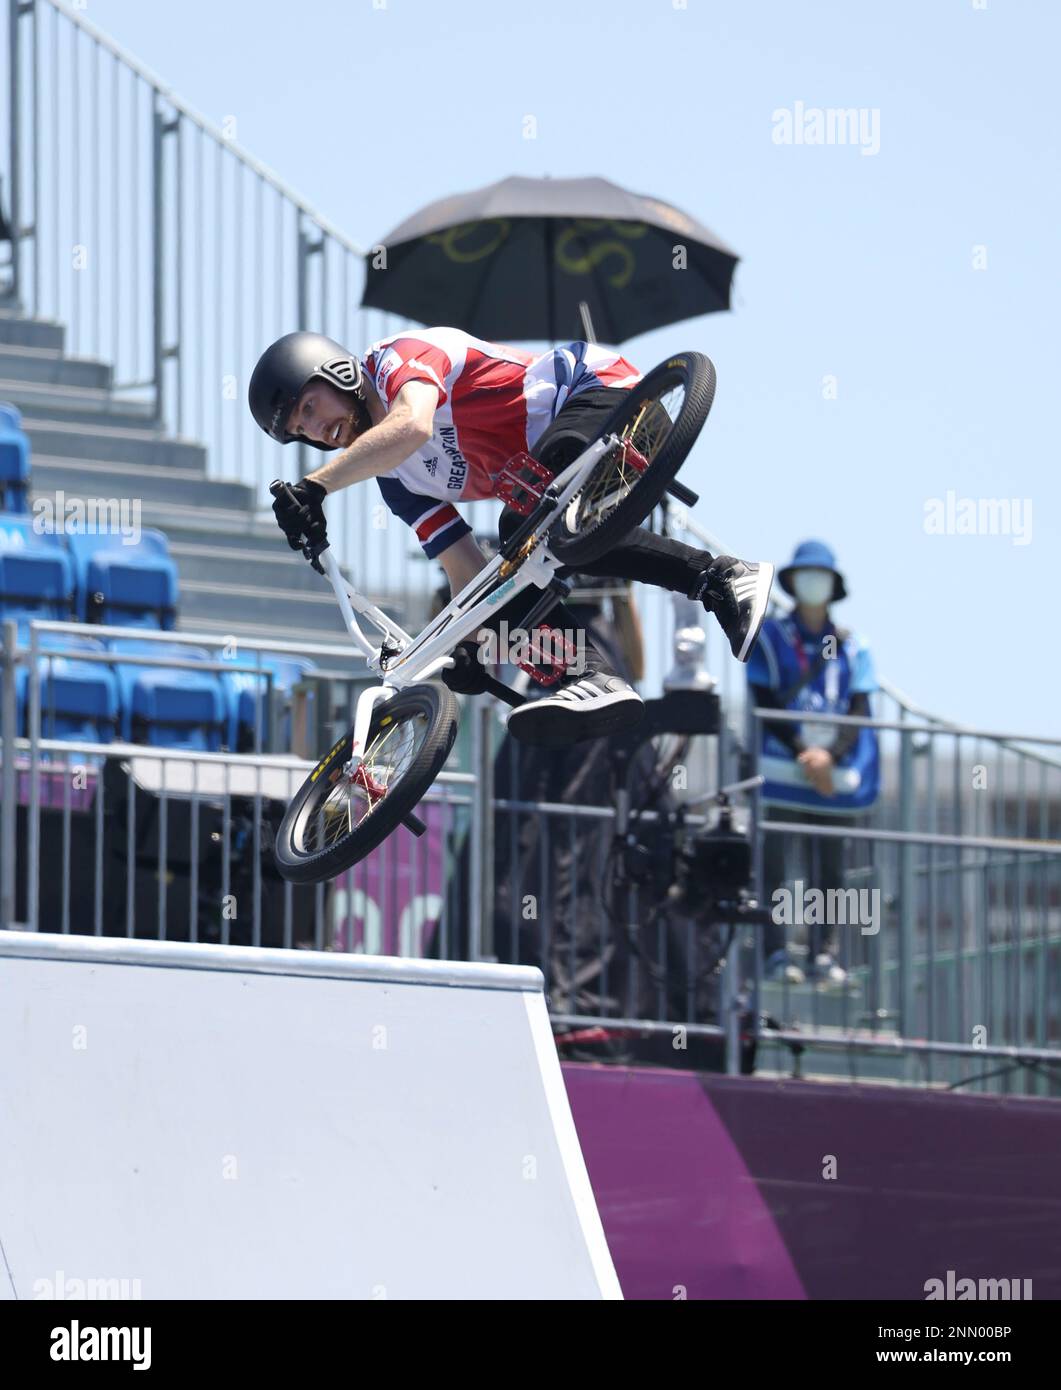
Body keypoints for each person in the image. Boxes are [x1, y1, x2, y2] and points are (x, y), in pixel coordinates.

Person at [249, 328, 774, 747]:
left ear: (335, 371)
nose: (315, 430)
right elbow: (465, 573)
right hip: (559, 489)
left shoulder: (396, 360)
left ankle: (718, 575)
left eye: (310, 407)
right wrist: (471, 644)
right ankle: (589, 674)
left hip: (606, 398)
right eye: (300, 429)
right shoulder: (396, 483)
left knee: (525, 520)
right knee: (500, 577)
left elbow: (412, 426)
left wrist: (316, 488)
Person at [746, 540, 879, 985]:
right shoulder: (769, 637)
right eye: (806, 575)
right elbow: (761, 697)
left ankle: (826, 955)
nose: (813, 583)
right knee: (776, 866)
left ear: (833, 585)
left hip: (832, 778)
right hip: (785, 769)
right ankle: (776, 953)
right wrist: (807, 752)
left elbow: (859, 708)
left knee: (830, 871)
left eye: (820, 576)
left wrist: (830, 755)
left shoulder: (855, 646)